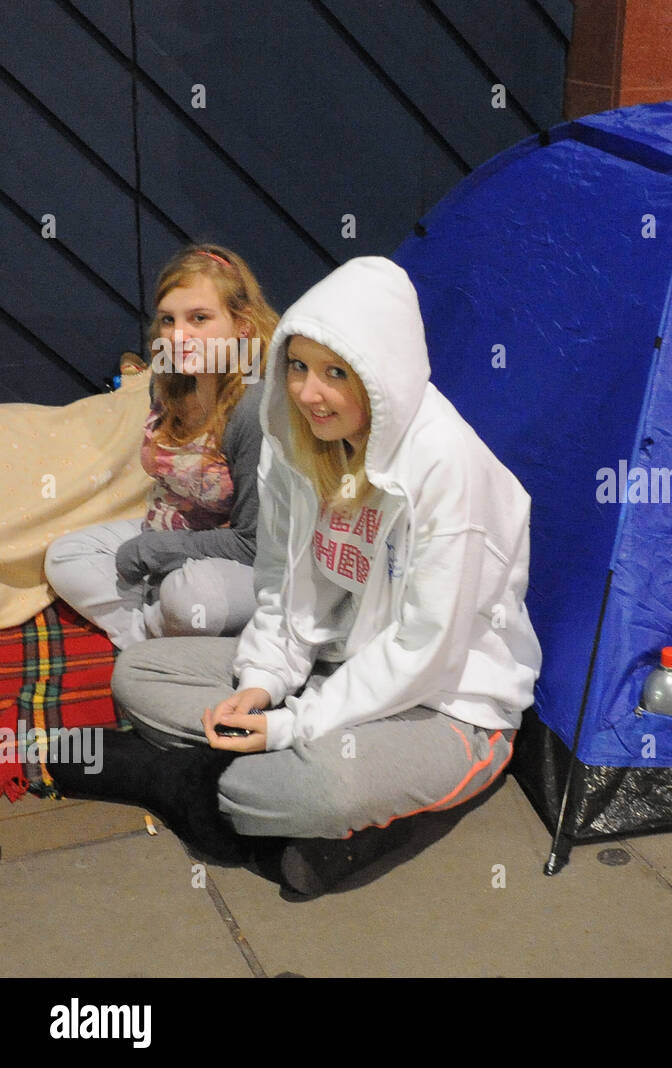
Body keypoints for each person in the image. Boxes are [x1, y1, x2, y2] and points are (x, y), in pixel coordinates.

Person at [67, 256, 542, 894]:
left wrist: (294, 725)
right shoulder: (302, 443)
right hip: (334, 667)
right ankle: (294, 819)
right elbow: (286, 590)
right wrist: (264, 683)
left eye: (335, 373)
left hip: (449, 703)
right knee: (139, 676)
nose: (307, 393)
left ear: (384, 374)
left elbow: (422, 650)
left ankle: (189, 784)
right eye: (297, 366)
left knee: (314, 786)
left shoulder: (447, 470)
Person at [43, 245, 277, 648]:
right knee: (66, 556)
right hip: (165, 533)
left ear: (242, 325)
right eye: (169, 320)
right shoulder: (166, 380)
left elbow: (254, 542)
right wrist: (157, 549)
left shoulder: (255, 407)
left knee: (191, 599)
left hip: (242, 560)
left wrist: (158, 551)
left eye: (199, 318)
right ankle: (156, 638)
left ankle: (172, 622)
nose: (178, 335)